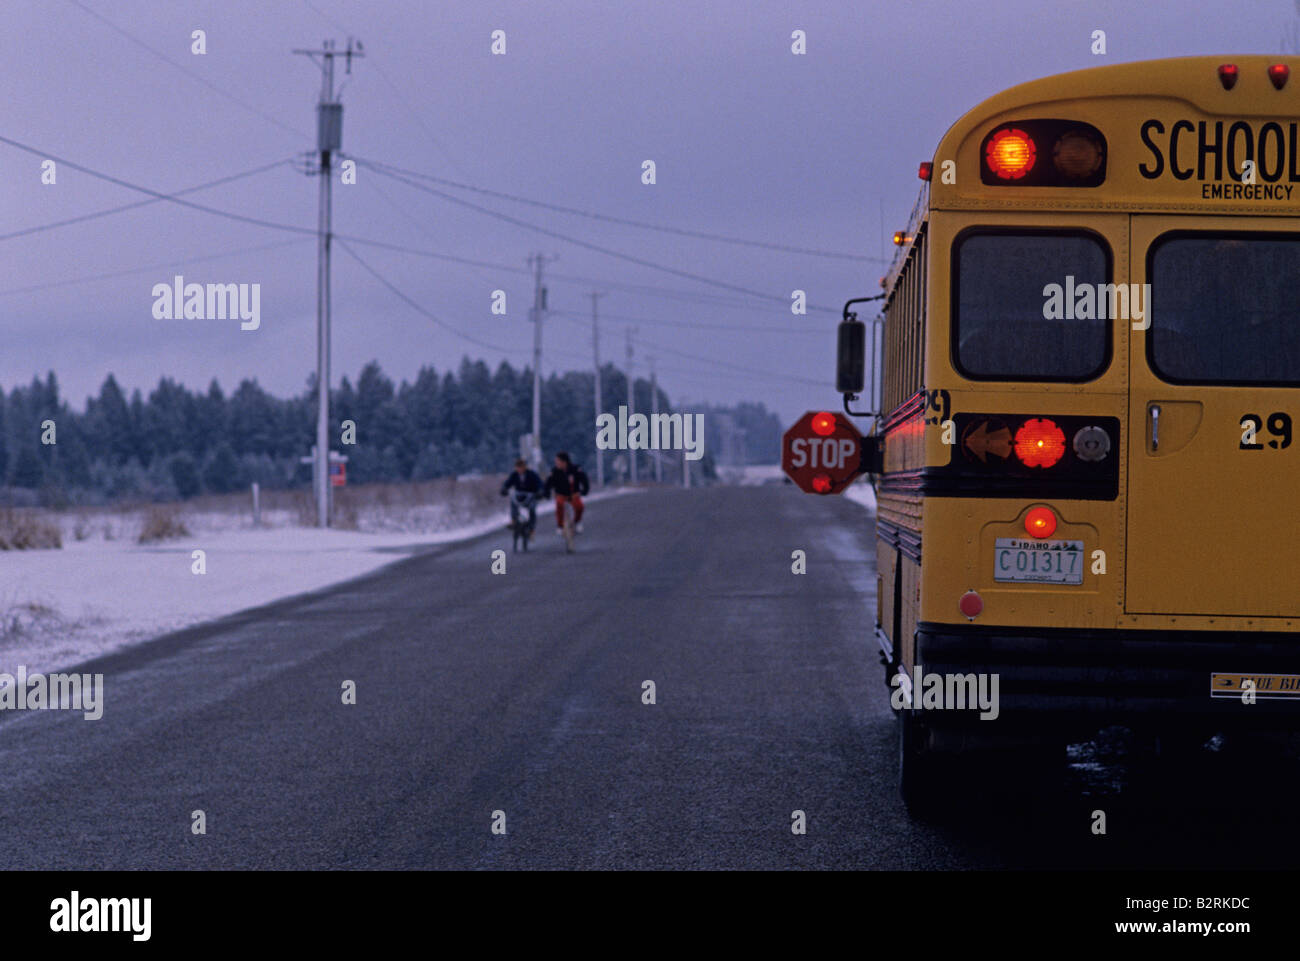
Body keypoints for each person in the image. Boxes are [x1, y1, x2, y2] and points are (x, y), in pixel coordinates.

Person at [543, 451, 590, 534]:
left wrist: (584, 491)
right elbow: (548, 483)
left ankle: (577, 521)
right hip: (561, 495)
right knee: (559, 506)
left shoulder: (575, 469)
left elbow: (584, 480)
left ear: (564, 462)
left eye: (558, 462)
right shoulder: (555, 471)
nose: (556, 464)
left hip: (573, 494)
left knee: (580, 507)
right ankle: (560, 526)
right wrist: (546, 493)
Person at [500, 458, 542, 531]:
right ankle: (514, 520)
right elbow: (508, 483)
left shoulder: (531, 474)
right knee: (513, 502)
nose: (519, 469)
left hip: (531, 496)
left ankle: (532, 528)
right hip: (519, 496)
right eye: (518, 467)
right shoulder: (514, 475)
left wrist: (540, 491)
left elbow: (539, 483)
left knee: (532, 508)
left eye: (521, 467)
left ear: (525, 467)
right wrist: (504, 489)